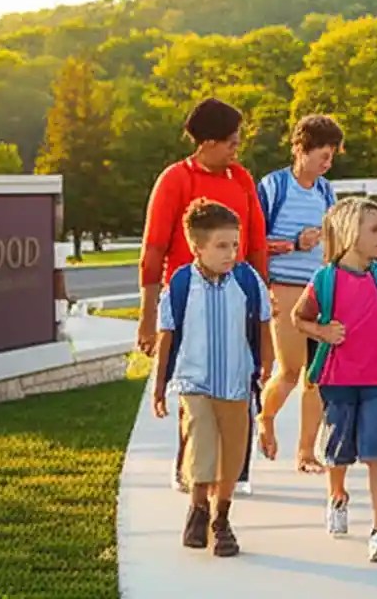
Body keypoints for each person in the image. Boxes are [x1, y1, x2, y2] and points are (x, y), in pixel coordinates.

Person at [137, 97, 270, 495]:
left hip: (235, 295)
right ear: (207, 142)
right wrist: (147, 316)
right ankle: (192, 471)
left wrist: (260, 291)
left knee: (239, 386)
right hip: (190, 300)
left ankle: (234, 475)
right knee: (193, 390)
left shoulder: (241, 178)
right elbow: (153, 249)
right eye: (231, 141)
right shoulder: (176, 179)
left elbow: (256, 241)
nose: (236, 148)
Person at [151, 199, 273, 558]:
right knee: (201, 444)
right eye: (222, 246)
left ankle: (221, 517)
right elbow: (167, 335)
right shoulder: (181, 284)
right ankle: (198, 505)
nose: (231, 253)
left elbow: (263, 322)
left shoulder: (247, 279)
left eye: (234, 245)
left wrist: (267, 363)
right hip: (195, 382)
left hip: (236, 381)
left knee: (232, 453)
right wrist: (160, 385)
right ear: (197, 247)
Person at [290, 196, 377, 562]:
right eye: (375, 229)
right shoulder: (325, 279)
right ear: (349, 233)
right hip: (338, 380)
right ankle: (337, 496)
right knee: (339, 450)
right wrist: (322, 331)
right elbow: (299, 318)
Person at [255, 114, 344, 475]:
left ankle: (306, 453)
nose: (328, 162)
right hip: (284, 289)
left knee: (317, 374)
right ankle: (265, 416)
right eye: (323, 154)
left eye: (331, 156)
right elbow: (252, 244)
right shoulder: (273, 187)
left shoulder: (327, 191)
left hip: (318, 290)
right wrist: (293, 244)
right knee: (290, 370)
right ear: (300, 149)